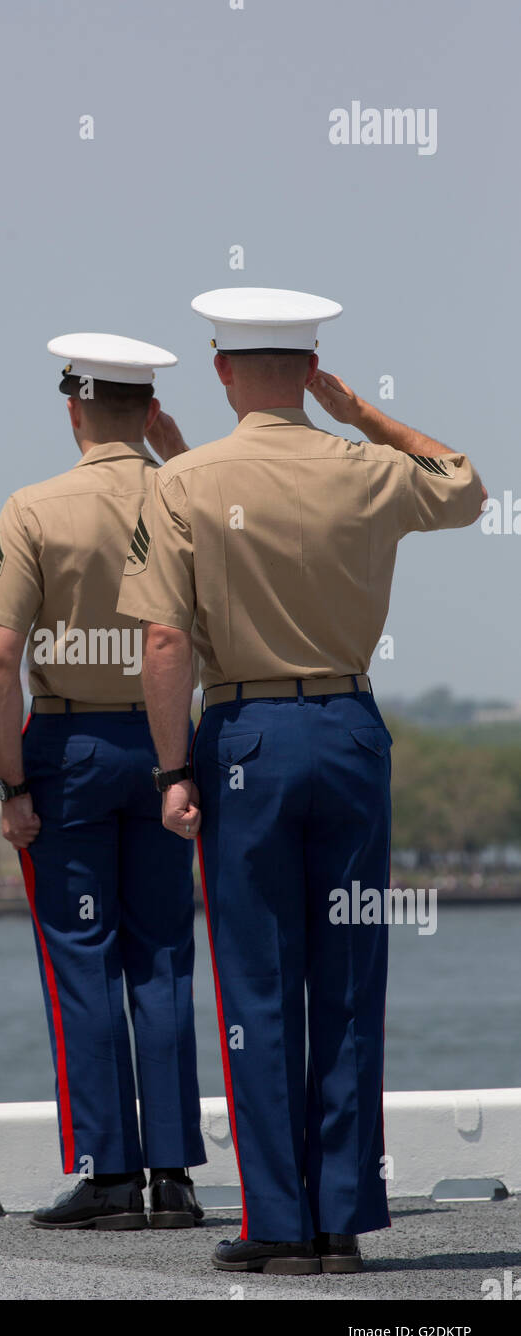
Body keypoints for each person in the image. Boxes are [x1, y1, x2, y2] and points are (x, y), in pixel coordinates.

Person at [117, 287, 485, 1274]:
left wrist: (170, 768)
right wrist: (360, 413)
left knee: (258, 986)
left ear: (223, 371)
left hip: (244, 737)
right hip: (350, 730)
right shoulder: (364, 469)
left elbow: (159, 638)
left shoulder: (183, 481)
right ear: (309, 370)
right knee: (350, 978)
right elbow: (463, 484)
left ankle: (277, 1224)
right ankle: (339, 1214)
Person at [0, 333, 206, 1231]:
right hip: (166, 745)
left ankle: (110, 1175)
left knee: (84, 961)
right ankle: (176, 1175)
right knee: (164, 960)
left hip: (68, 750)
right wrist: (178, 455)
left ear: (72, 410)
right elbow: (231, 543)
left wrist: (9, 785)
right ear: (149, 410)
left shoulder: (34, 508)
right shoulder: (184, 495)